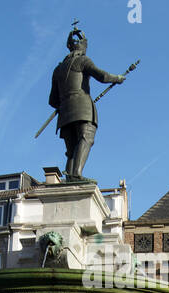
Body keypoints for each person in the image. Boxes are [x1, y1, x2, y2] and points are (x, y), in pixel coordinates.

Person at [48, 27, 125, 181]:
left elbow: (52, 100)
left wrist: (65, 103)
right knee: (86, 138)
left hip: (65, 112)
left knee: (72, 149)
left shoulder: (58, 70)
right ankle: (76, 174)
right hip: (82, 107)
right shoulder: (83, 60)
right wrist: (117, 78)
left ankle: (70, 177)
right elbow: (102, 76)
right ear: (83, 47)